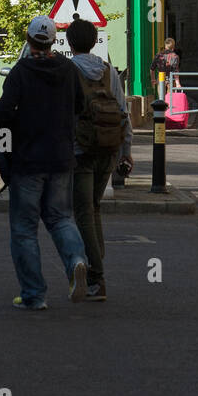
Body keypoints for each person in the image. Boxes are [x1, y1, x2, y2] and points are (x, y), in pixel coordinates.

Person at [0, 16, 89, 311]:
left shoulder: (21, 72)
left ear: (29, 39)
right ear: (52, 40)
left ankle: (34, 294)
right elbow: (81, 106)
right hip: (62, 157)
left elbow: (3, 115)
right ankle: (76, 262)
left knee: (24, 228)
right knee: (61, 218)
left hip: (28, 161)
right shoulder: (68, 69)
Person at [67, 19, 133, 301]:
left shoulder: (69, 71)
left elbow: (63, 114)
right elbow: (123, 110)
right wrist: (126, 150)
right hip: (108, 148)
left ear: (69, 42)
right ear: (94, 42)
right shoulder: (108, 71)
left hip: (80, 150)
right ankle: (95, 267)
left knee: (82, 212)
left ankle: (96, 275)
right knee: (93, 209)